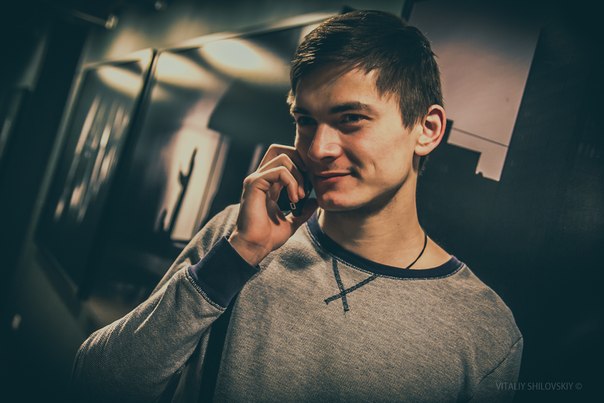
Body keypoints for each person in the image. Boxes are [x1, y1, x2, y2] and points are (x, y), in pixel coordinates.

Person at [72, 10, 523, 402]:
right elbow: (96, 383)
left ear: (427, 129)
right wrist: (240, 254)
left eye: (351, 119)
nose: (319, 148)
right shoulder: (236, 236)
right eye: (305, 120)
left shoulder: (483, 331)